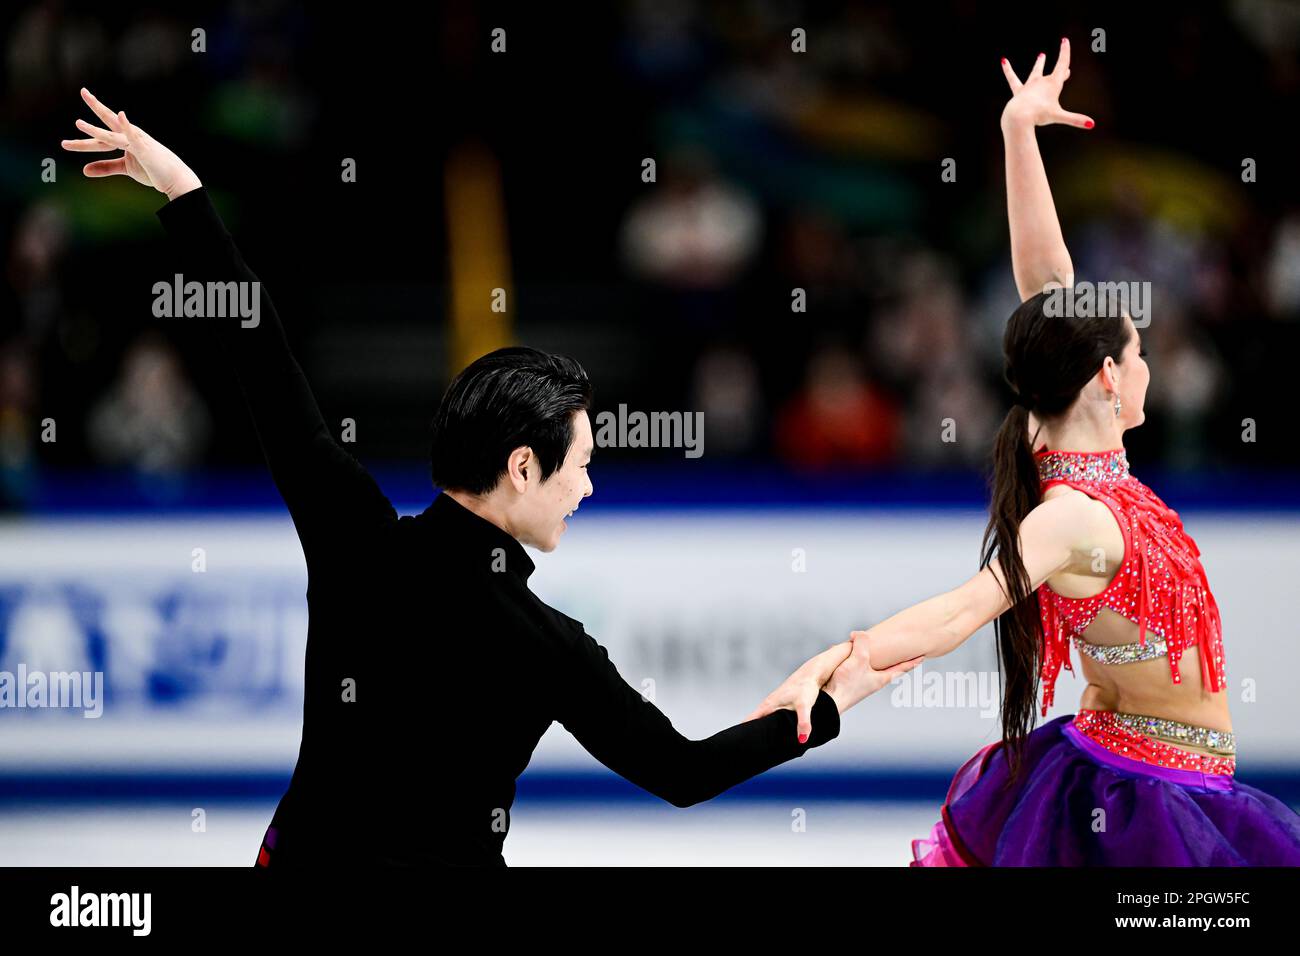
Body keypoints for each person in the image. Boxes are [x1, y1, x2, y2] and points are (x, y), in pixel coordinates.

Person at [62, 88, 921, 867]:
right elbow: (682, 772)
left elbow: (263, 365)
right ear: (522, 466)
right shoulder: (547, 642)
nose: (586, 490)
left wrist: (184, 196)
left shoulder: (356, 536)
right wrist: (822, 708)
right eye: (580, 468)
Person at [761, 39, 1300, 865]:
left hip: (1159, 778)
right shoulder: (1074, 516)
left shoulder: (1064, 446)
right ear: (1105, 380)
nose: (1151, 366)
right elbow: (962, 611)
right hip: (1146, 804)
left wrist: (1020, 133)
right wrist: (842, 662)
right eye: (1141, 353)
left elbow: (1048, 288)